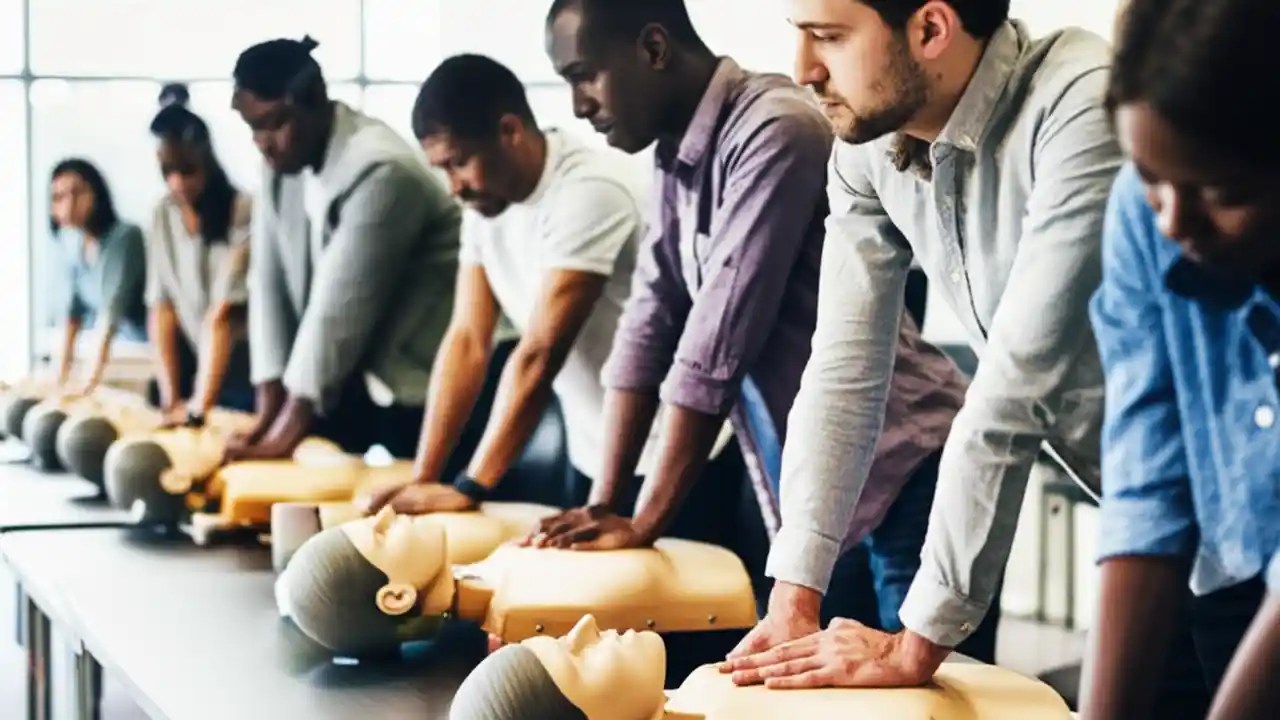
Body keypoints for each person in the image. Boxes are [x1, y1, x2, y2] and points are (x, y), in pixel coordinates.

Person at [536, 0, 969, 640]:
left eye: (584, 75)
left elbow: (717, 345)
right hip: (824, 486)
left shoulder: (777, 129)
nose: (578, 105)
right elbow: (648, 325)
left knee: (924, 696)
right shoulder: (675, 154)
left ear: (654, 50)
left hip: (904, 465)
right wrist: (608, 501)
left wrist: (645, 519)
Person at [720, 0, 1121, 689]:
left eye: (829, 38)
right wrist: (794, 598)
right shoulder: (867, 146)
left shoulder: (1081, 104)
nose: (803, 70)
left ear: (931, 29)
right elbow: (843, 368)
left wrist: (914, 645)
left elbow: (1011, 395)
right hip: (1151, 508)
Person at [364, 54, 674, 516]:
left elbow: (541, 353)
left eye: (460, 163)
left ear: (509, 131)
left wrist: (469, 487)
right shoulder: (485, 204)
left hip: (670, 453)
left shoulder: (588, 191)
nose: (454, 187)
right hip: (592, 447)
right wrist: (422, 480)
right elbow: (468, 340)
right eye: (442, 169)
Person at [1081, 1, 1280, 718]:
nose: (1173, 220)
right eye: (1149, 177)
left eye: (1222, 193)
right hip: (1237, 570)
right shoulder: (1146, 218)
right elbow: (1147, 486)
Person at [226, 36, 461, 461]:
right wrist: (266, 416)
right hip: (365, 382)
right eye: (253, 128)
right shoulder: (282, 165)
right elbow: (268, 284)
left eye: (273, 123)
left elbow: (337, 313)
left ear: (314, 99)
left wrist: (282, 436)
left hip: (431, 385)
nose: (262, 141)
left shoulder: (381, 170)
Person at [145, 83, 255, 424]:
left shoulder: (242, 209)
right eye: (168, 172)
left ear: (206, 161)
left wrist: (196, 410)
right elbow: (161, 309)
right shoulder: (162, 215)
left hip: (246, 375)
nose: (177, 183)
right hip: (196, 369)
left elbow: (221, 316)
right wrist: (171, 399)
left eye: (187, 171)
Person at [48, 158, 147, 396]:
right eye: (59, 197)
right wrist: (59, 381)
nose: (69, 204)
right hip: (110, 352)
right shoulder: (73, 244)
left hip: (141, 349)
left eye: (78, 193)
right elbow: (71, 317)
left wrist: (87, 385)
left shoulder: (125, 237)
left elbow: (111, 313)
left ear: (97, 193)